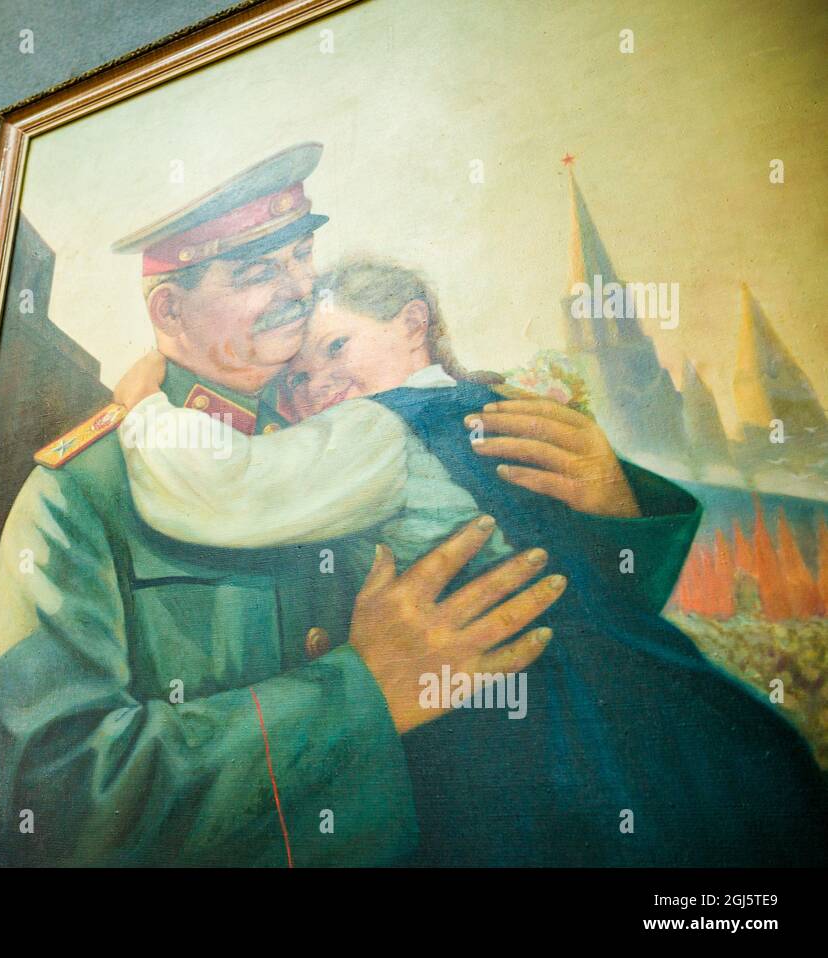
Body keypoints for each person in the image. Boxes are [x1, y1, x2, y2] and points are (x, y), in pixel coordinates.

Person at [0, 145, 697, 867]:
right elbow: (66, 806)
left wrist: (612, 513)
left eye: (301, 256)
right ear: (169, 307)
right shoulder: (82, 489)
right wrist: (363, 692)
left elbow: (562, 614)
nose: (299, 287)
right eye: (258, 271)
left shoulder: (353, 427)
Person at [113, 256, 828, 865]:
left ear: (412, 324)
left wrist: (143, 410)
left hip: (527, 719)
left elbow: (226, 489)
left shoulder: (378, 426)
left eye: (335, 348)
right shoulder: (478, 406)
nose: (317, 385)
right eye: (295, 380)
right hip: (630, 688)